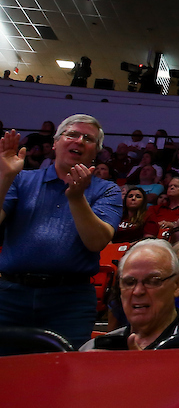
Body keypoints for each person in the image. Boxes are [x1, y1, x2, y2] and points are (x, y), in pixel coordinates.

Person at [0, 117, 122, 348]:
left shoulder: (107, 190)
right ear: (55, 143)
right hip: (10, 295)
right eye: (72, 134)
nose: (79, 140)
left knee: (64, 374)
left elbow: (96, 242)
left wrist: (76, 198)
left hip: (70, 300)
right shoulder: (20, 179)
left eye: (88, 139)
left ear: (95, 151)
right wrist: (5, 177)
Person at [81, 240, 179, 350]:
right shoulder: (94, 349)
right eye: (129, 282)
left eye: (152, 281)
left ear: (177, 285)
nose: (138, 291)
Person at [143, 175, 179, 239]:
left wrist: (174, 225)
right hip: (157, 237)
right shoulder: (155, 208)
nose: (172, 188)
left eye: (176, 186)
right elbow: (149, 224)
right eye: (170, 186)